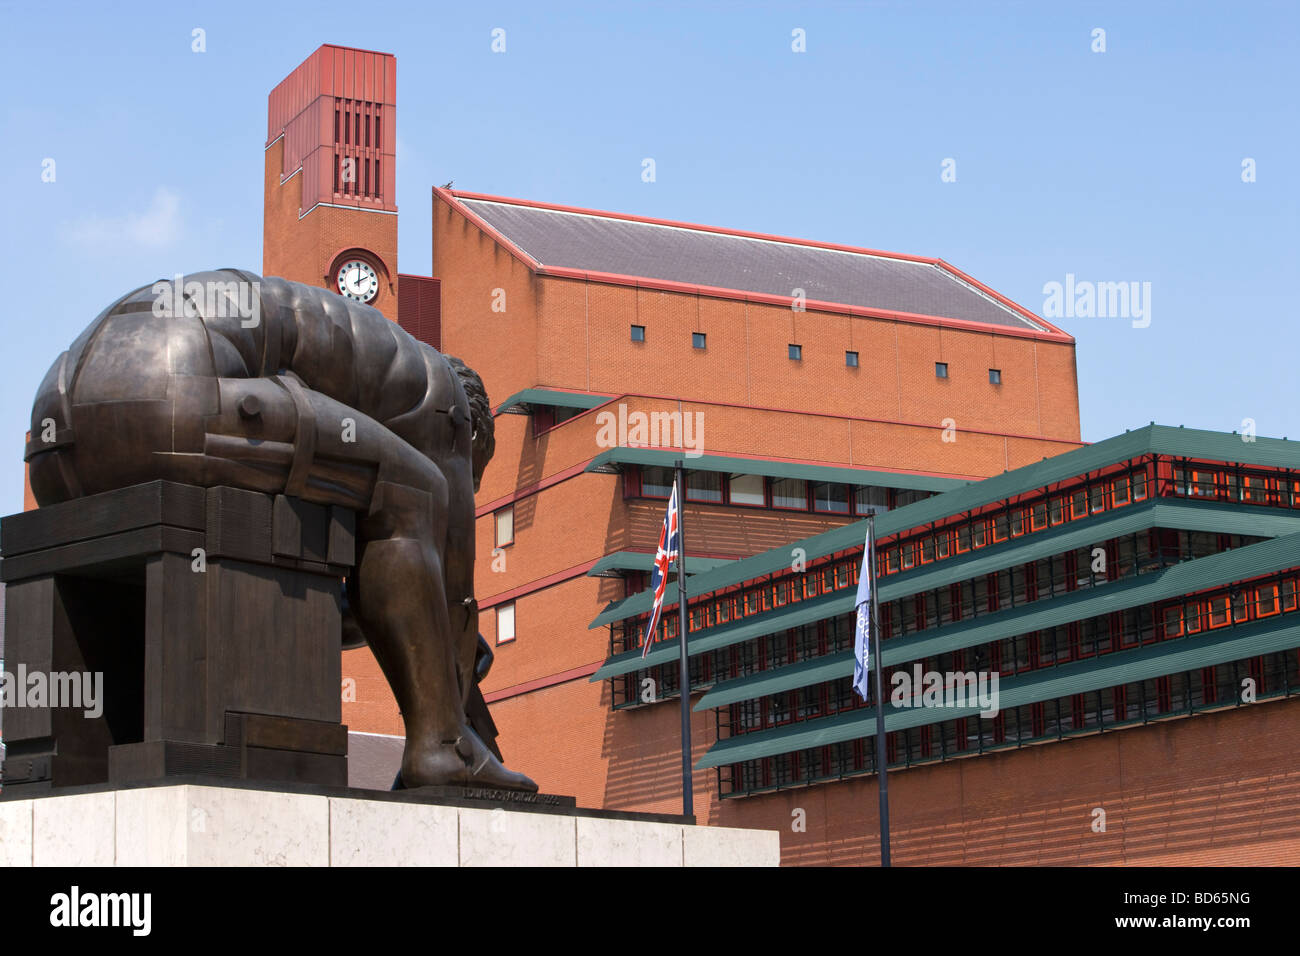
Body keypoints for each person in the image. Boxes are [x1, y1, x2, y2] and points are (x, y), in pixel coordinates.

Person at [27, 269, 537, 791]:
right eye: (472, 474)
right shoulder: (444, 396)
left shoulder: (365, 357)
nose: (467, 490)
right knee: (416, 491)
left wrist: (384, 612)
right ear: (473, 436)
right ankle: (441, 749)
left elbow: (363, 591)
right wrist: (453, 647)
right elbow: (452, 579)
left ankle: (74, 753)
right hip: (173, 392)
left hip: (57, 426)